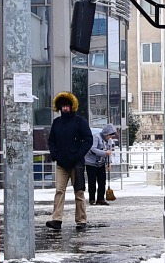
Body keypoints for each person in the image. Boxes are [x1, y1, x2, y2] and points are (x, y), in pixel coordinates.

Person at [45, 91, 93, 231]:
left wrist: (78, 155)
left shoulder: (80, 121)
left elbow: (88, 140)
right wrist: (55, 155)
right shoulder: (57, 122)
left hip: (76, 163)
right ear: (59, 108)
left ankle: (81, 220)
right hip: (61, 163)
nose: (65, 108)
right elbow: (51, 141)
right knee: (59, 191)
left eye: (67, 106)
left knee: (79, 192)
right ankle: (57, 219)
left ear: (72, 107)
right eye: (63, 106)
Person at [85, 124, 116, 205]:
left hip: (101, 163)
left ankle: (100, 199)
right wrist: (105, 153)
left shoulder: (109, 141)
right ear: (106, 134)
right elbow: (93, 149)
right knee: (92, 182)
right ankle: (92, 199)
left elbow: (109, 152)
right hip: (91, 163)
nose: (110, 137)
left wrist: (108, 163)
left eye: (111, 136)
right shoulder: (96, 137)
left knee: (102, 181)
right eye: (109, 135)